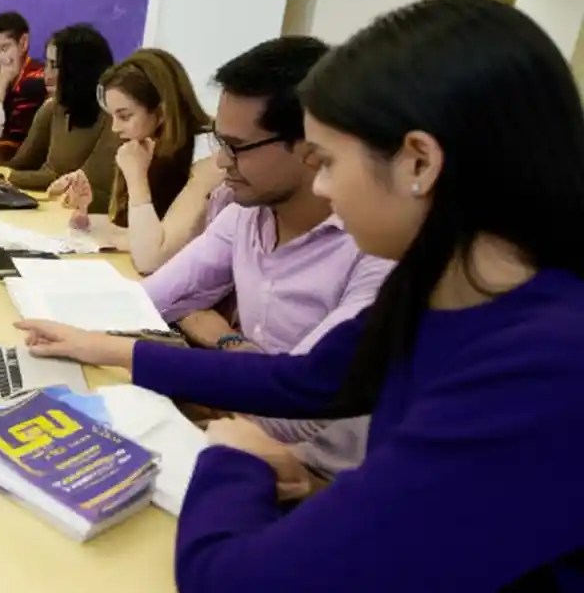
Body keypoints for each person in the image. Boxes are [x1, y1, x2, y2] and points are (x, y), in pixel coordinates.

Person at [18, 0, 584, 590]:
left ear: (419, 161)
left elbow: (226, 580)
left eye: (330, 162)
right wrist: (107, 349)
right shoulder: (442, 286)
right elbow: (305, 381)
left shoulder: (541, 369)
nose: (321, 186)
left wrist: (232, 459)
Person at [129, 37, 392, 481]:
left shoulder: (377, 249)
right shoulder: (245, 216)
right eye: (219, 141)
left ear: (311, 147)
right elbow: (146, 302)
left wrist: (206, 362)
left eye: (237, 146)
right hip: (242, 432)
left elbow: (293, 408)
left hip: (322, 480)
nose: (222, 161)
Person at [50, 49, 221, 274]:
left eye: (125, 116)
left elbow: (150, 258)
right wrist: (87, 217)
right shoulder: (151, 144)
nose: (115, 127)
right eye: (113, 116)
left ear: (161, 112)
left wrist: (136, 178)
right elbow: (137, 231)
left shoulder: (209, 156)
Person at [4, 24, 119, 206]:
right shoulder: (53, 108)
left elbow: (83, 185)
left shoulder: (113, 118)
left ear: (80, 71)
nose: (45, 75)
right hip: (53, 209)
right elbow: (19, 164)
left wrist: (7, 177)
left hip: (85, 219)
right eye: (46, 64)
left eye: (55, 66)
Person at [0, 11, 47, 163]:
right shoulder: (11, 79)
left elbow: (9, 147)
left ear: (23, 43)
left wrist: (0, 90)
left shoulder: (34, 83)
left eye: (5, 48)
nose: (0, 59)